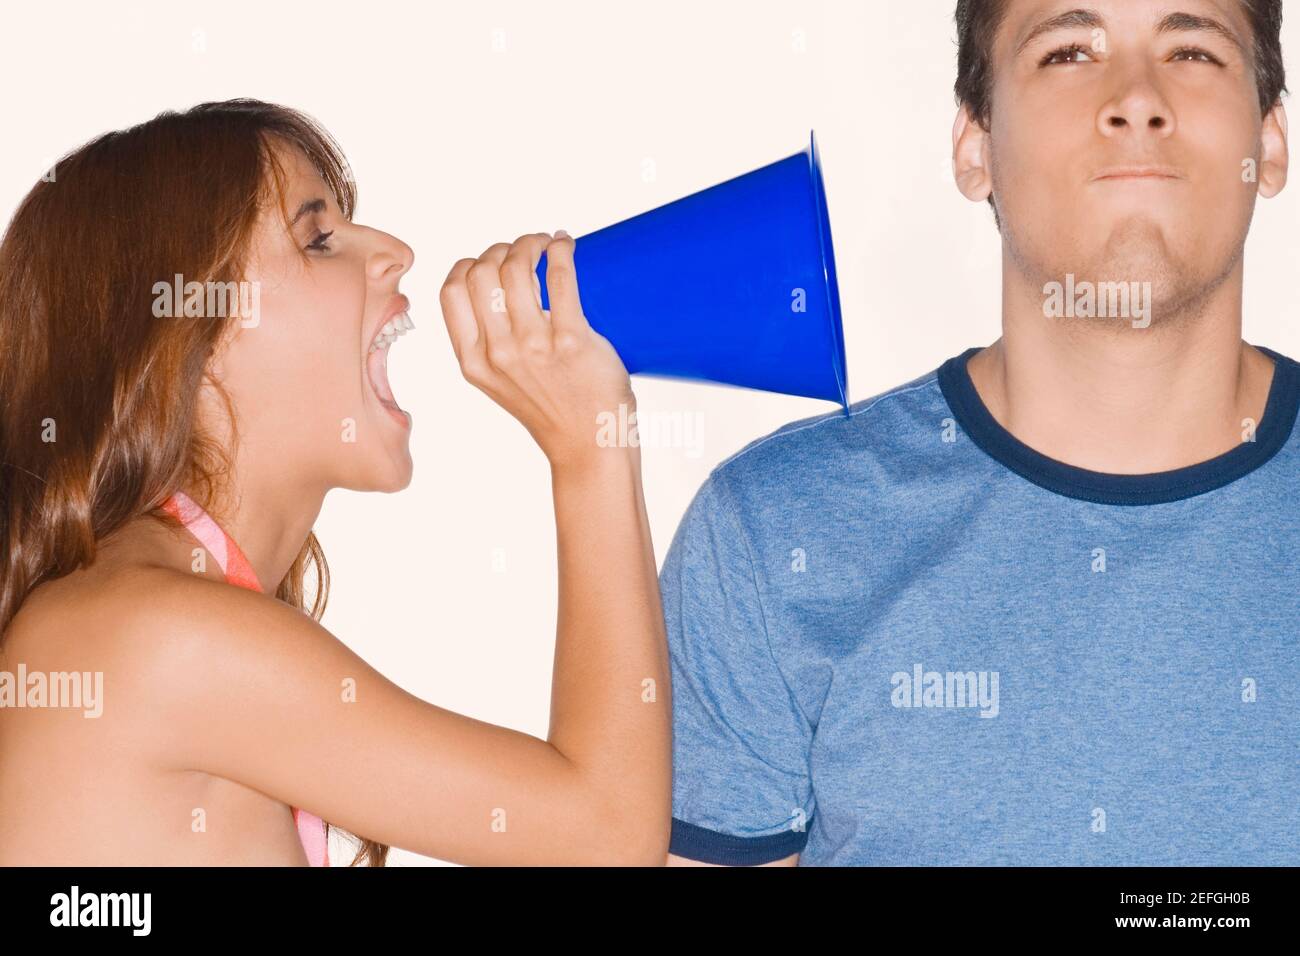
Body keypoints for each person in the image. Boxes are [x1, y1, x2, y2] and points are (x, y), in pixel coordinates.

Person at [662, 0, 1299, 866]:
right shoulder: (771, 538)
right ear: (975, 146)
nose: (1138, 99)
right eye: (1070, 52)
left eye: (1192, 49)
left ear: (1269, 142)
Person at [0, 99, 670, 866]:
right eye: (318, 239)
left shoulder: (151, 614)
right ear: (187, 333)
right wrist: (591, 451)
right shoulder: (161, 635)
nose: (395, 251)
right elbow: (606, 835)